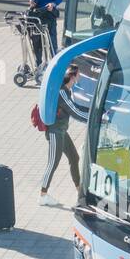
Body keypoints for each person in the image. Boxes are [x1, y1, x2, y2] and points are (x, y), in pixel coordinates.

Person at [39, 63, 87, 207]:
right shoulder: (62, 92)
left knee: (74, 157)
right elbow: (75, 111)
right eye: (78, 73)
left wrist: (94, 110)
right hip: (55, 132)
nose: (80, 76)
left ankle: (79, 193)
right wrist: (92, 117)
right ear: (72, 77)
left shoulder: (67, 90)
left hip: (61, 131)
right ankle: (42, 195)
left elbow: (76, 108)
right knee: (52, 163)